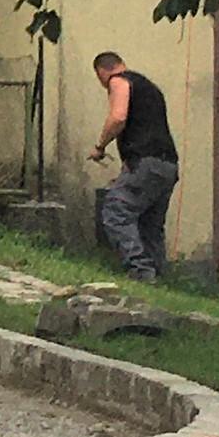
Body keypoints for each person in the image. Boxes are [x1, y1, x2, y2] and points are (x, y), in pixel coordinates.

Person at [89, 50, 181, 282]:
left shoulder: (119, 81)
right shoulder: (149, 87)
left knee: (115, 211)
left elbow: (118, 117)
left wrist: (100, 146)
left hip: (145, 162)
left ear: (102, 72)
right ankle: (157, 276)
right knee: (150, 223)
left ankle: (140, 270)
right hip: (168, 165)